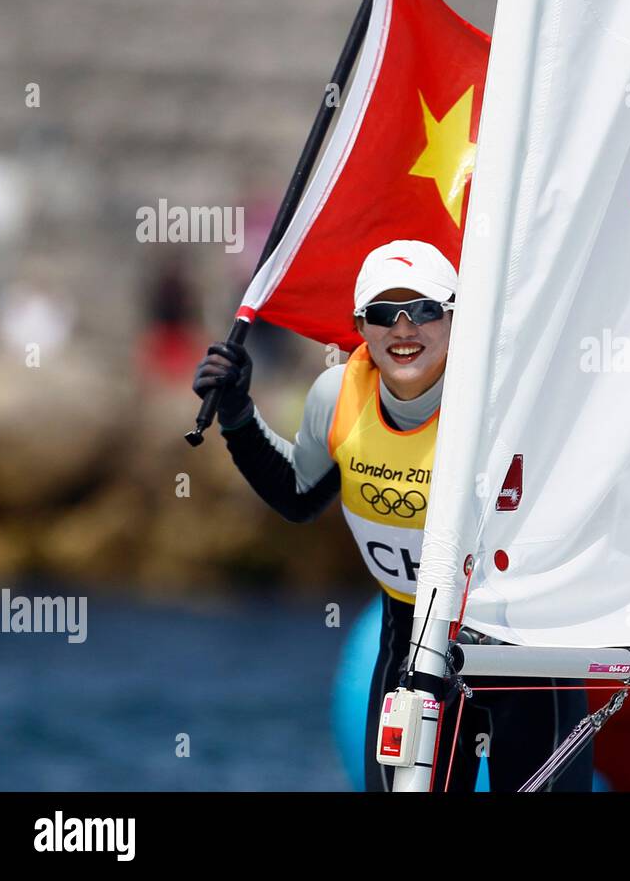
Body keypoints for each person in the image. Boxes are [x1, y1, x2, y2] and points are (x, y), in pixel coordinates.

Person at [193, 239, 593, 792]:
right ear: (361, 327)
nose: (404, 329)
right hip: (408, 642)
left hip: (521, 651)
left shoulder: (505, 400)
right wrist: (236, 413)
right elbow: (298, 497)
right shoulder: (337, 397)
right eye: (384, 314)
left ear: (456, 317)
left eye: (424, 310)